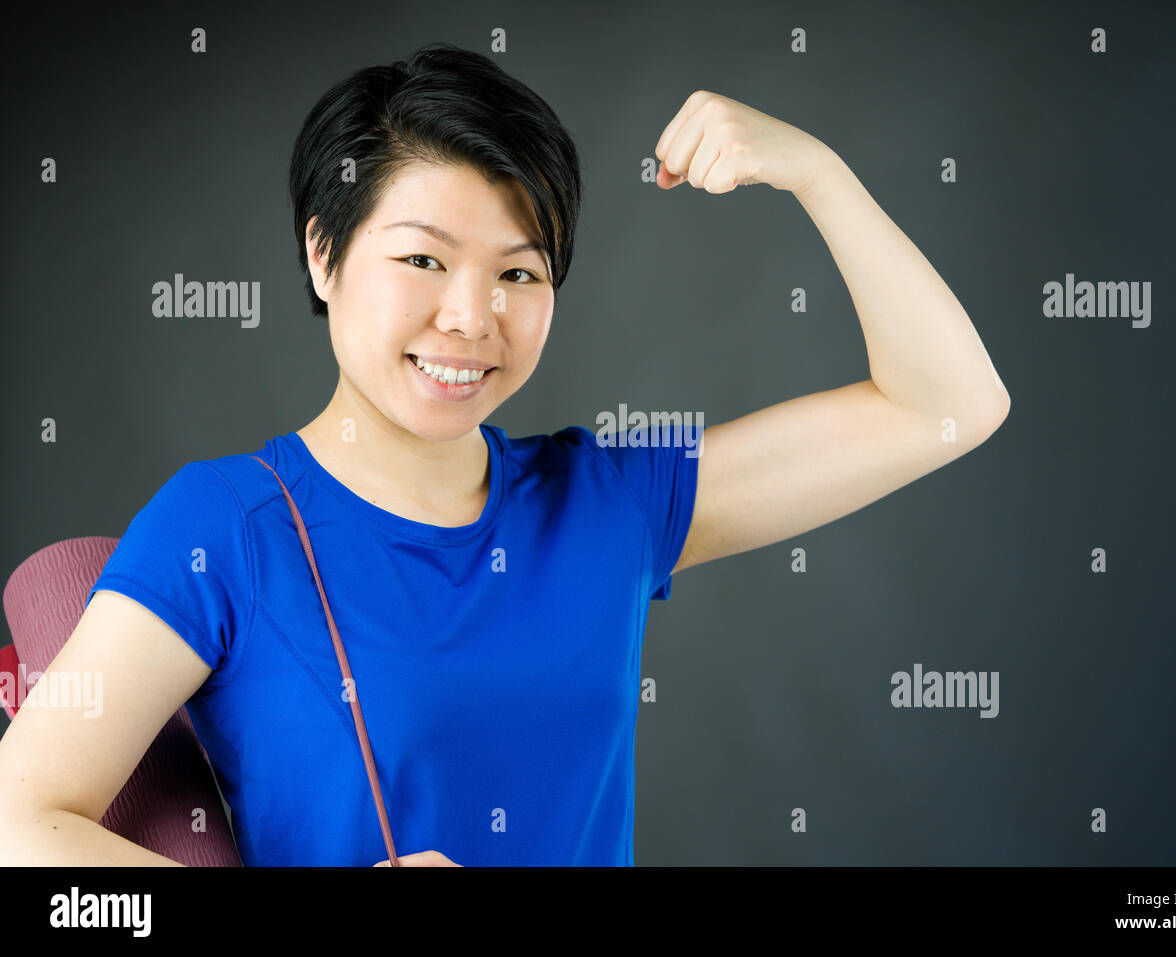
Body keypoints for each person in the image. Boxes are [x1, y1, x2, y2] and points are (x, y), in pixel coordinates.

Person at [0, 42, 1009, 867]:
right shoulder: (224, 525)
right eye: (423, 259)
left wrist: (814, 171)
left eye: (518, 272)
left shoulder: (612, 501)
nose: (471, 317)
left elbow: (949, 406)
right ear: (323, 252)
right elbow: (21, 830)